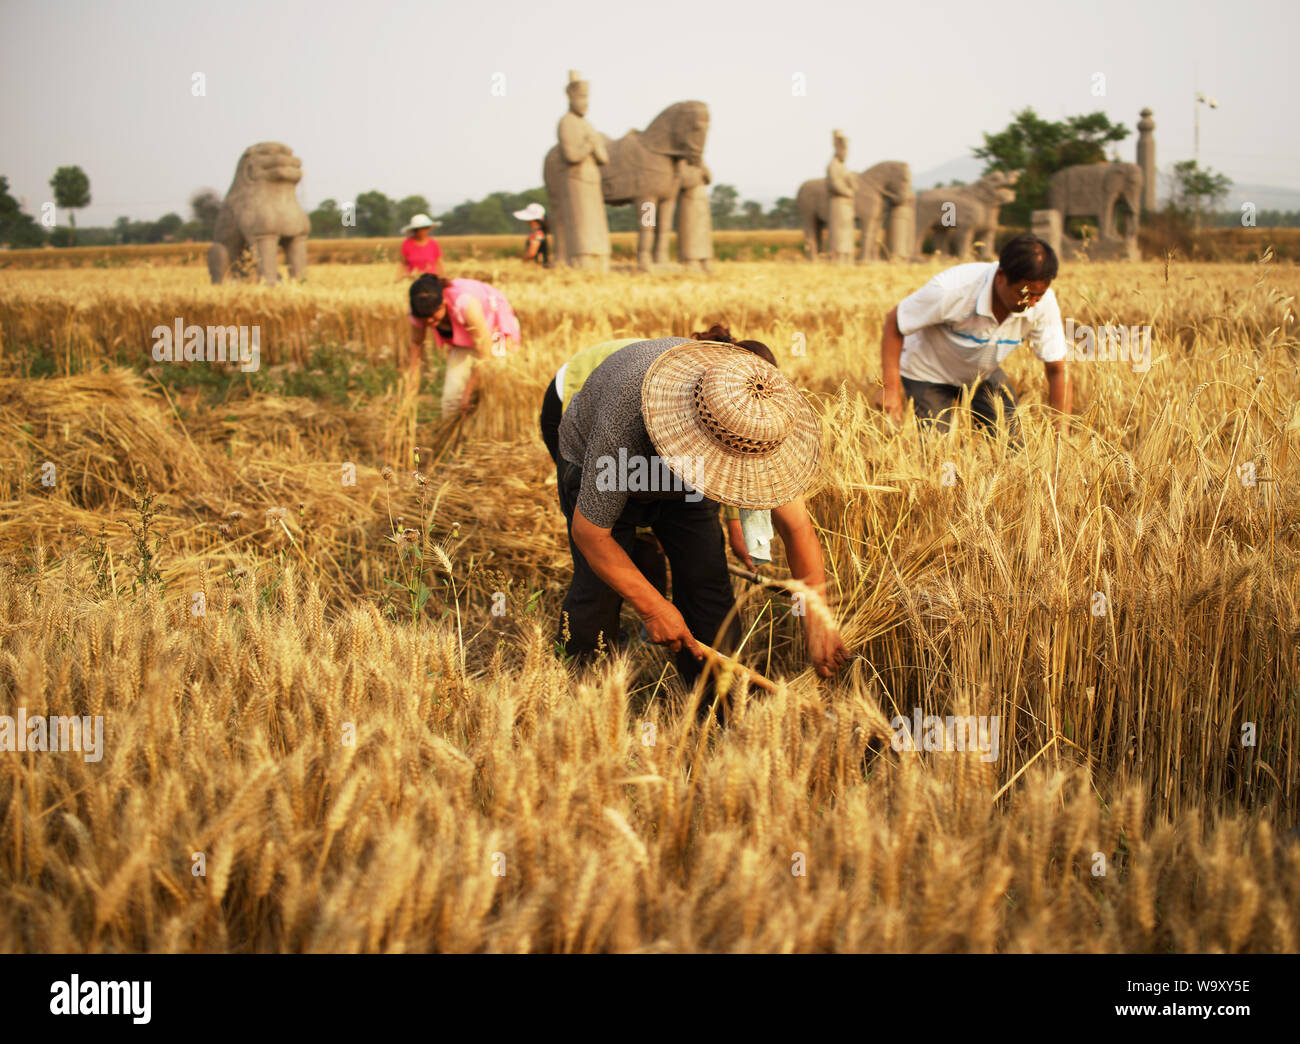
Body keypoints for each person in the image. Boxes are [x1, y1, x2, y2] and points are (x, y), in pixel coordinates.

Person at [554, 336, 850, 696]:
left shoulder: (761, 425)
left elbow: (797, 527)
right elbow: (592, 534)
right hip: (606, 462)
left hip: (683, 486)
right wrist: (653, 609)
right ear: (697, 435)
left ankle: (719, 708)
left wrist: (817, 619)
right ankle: (586, 704)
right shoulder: (629, 416)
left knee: (707, 584)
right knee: (596, 594)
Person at [879, 233, 1072, 437]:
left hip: (982, 373)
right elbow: (895, 321)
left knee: (1012, 443)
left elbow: (1058, 368)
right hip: (928, 371)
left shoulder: (1043, 303)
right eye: (1023, 294)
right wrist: (889, 389)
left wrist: (1062, 432)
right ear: (1000, 277)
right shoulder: (950, 290)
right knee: (936, 452)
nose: (1031, 303)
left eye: (1037, 296)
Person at [408, 275, 522, 417]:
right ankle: (455, 436)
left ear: (443, 303)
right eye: (425, 319)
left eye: (433, 316)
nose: (430, 321)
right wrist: (412, 381)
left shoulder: (464, 302)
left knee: (496, 390)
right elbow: (417, 343)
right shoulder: (419, 311)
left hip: (497, 331)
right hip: (464, 339)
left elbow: (485, 352)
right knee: (451, 400)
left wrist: (468, 392)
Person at [396, 214, 444, 279]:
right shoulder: (407, 243)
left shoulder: (433, 243)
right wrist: (399, 278)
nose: (423, 231)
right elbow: (403, 264)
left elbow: (439, 263)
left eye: (425, 228)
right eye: (420, 229)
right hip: (413, 280)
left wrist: (442, 278)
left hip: (431, 280)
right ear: (414, 230)